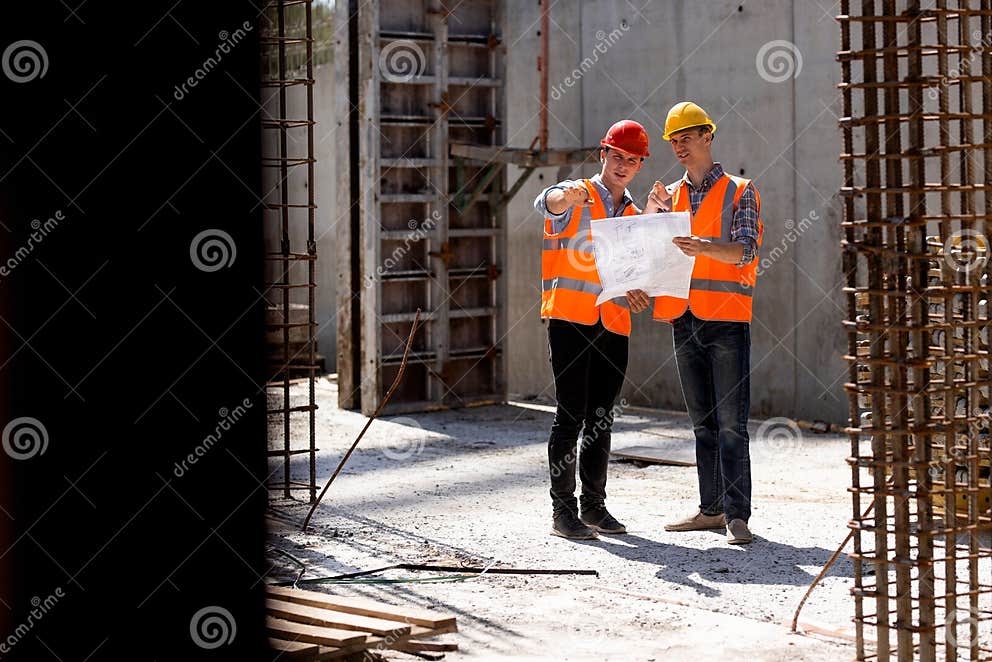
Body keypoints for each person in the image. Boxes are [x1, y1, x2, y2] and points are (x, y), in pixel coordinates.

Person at [645, 101, 763, 545]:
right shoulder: (669, 196)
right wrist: (651, 215)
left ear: (708, 136)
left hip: (726, 320)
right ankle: (711, 510)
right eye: (673, 140)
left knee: (732, 425)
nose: (679, 146)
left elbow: (746, 251)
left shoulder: (740, 191)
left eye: (687, 137)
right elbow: (651, 253)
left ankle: (737, 516)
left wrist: (705, 246)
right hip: (683, 319)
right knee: (702, 424)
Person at [534, 120, 653, 539]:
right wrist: (562, 194)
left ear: (640, 165)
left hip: (614, 323)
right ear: (603, 155)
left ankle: (594, 507)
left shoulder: (635, 215)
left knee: (601, 419)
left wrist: (638, 292)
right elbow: (547, 203)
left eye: (632, 160)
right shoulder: (578, 194)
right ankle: (562, 511)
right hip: (570, 318)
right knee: (570, 417)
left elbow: (632, 271)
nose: (623, 166)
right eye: (616, 157)